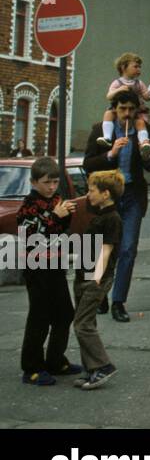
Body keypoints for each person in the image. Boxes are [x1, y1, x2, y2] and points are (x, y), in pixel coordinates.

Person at [83, 88, 150, 323]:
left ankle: (118, 302)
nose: (126, 114)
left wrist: (145, 155)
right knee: (105, 248)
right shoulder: (100, 131)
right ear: (114, 109)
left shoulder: (143, 130)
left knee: (127, 249)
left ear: (136, 110)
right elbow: (88, 164)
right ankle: (100, 295)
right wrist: (111, 153)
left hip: (133, 195)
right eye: (121, 109)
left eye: (130, 109)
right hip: (108, 197)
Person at [17, 157, 81, 386]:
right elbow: (33, 237)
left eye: (55, 182)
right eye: (47, 182)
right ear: (34, 182)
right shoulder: (28, 206)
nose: (52, 187)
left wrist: (66, 216)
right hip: (36, 268)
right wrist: (55, 217)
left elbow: (60, 231)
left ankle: (55, 360)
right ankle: (32, 368)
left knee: (64, 313)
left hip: (55, 265)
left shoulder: (56, 200)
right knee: (39, 318)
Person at [71, 170, 124, 390]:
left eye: (92, 191)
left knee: (81, 324)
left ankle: (103, 366)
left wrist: (97, 278)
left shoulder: (112, 219)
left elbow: (107, 248)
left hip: (95, 278)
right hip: (83, 275)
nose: (88, 194)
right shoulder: (100, 215)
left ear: (106, 193)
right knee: (86, 323)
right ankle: (90, 368)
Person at [99, 53, 150, 160]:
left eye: (139, 67)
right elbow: (109, 96)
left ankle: (144, 143)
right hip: (118, 111)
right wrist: (119, 89)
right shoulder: (117, 82)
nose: (138, 69)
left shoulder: (139, 83)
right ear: (124, 67)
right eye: (135, 66)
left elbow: (146, 97)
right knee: (108, 114)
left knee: (140, 123)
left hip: (137, 111)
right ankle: (107, 137)